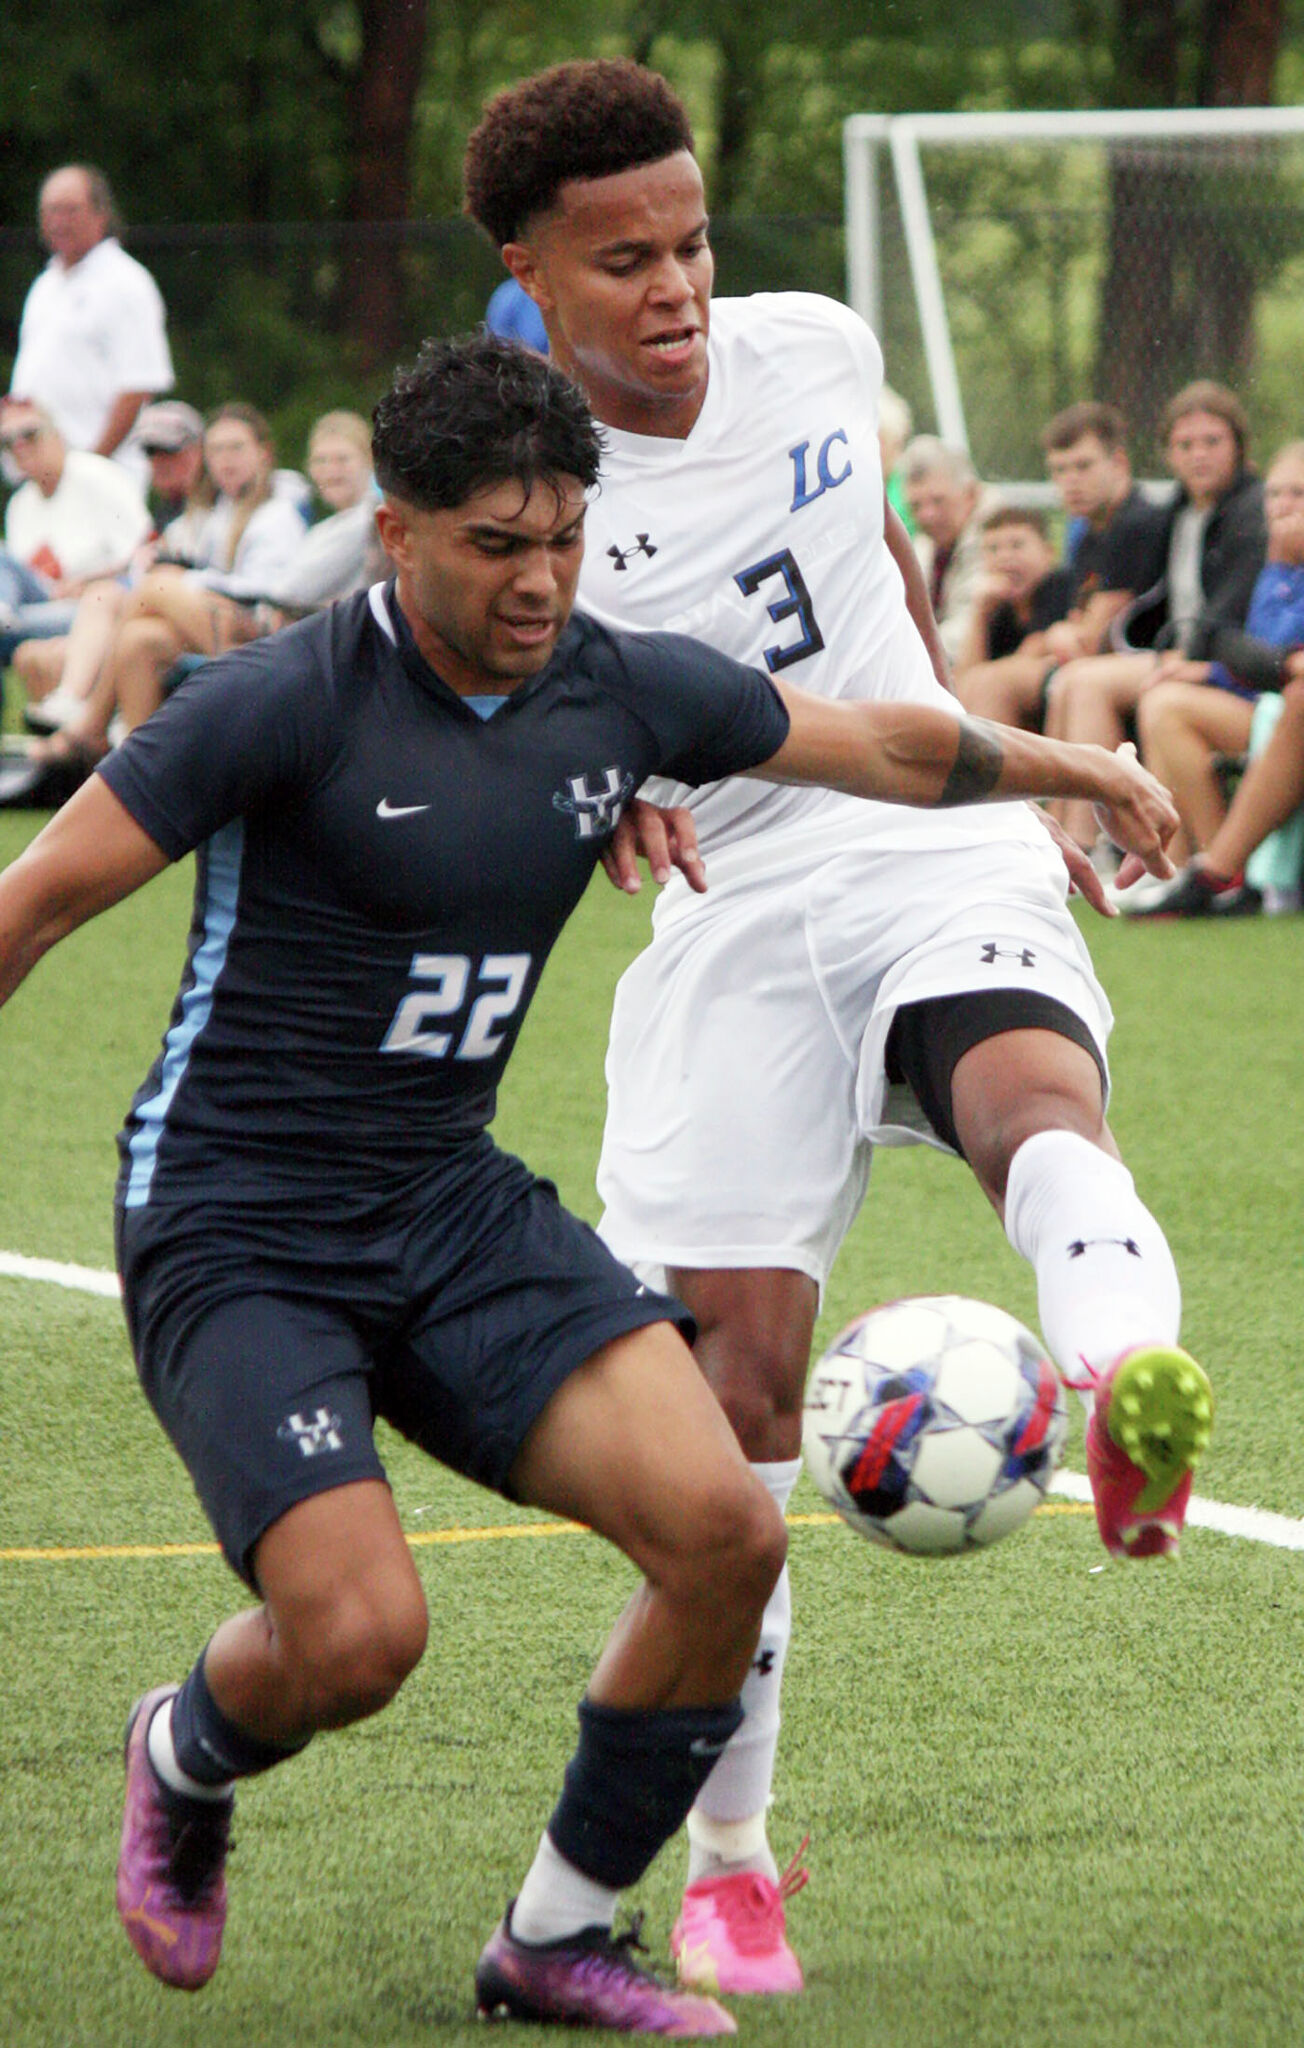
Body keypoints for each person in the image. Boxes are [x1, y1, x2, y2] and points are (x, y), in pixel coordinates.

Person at [0, 332, 1177, 2029]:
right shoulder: (271, 703)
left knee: (717, 1530)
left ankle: (552, 1932)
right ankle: (182, 1745)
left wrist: (1078, 768)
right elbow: (31, 901)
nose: (541, 576)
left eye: (562, 536)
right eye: (496, 543)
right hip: (239, 1220)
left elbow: (881, 744)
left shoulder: (619, 684)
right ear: (396, 534)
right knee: (358, 1640)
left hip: (447, 1197)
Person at [463, 57, 1215, 1998]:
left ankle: (1129, 1377)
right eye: (622, 258)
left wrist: (994, 744)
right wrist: (596, 779)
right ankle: (728, 1859)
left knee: (1029, 1093)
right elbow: (491, 707)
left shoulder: (811, 343)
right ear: (527, 273)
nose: (677, 286)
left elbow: (878, 560)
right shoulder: (521, 483)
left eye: (694, 240)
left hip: (920, 830)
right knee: (730, 1432)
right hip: (725, 907)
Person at [1046, 381, 1266, 855]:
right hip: (1177, 650)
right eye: (1184, 445)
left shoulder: (1251, 511)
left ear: (1239, 446)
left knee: (1089, 684)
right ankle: (1065, 836)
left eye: (1212, 442)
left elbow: (1230, 609)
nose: (1198, 455)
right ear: (1168, 454)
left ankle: (1089, 843)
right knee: (1071, 680)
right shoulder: (1181, 510)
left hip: (1220, 661)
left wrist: (1186, 657)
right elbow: (1159, 603)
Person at [1118, 439, 1304, 889]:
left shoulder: (1282, 560)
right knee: (1162, 698)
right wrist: (1214, 670)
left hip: (1281, 710)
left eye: (1297, 494)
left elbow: (1272, 653)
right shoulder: (1280, 558)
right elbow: (1267, 656)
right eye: (1274, 494)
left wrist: (1279, 566)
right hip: (1271, 703)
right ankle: (1182, 863)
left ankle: (1219, 867)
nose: (1282, 505)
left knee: (1167, 707)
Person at [958, 402, 1170, 732]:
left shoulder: (1136, 522)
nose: (1070, 481)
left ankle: (1007, 786)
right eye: (1059, 470)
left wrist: (1057, 637)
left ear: (1118, 463)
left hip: (1144, 661)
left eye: (1082, 466)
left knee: (993, 683)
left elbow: (1091, 640)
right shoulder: (1089, 535)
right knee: (980, 680)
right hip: (1089, 667)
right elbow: (1076, 629)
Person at [15, 399, 213, 733]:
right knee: (36, 656)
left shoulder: (211, 510)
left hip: (174, 617)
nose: (160, 462)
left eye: (170, 451)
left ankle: (87, 725)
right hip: (129, 609)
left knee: (114, 608)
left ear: (197, 452)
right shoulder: (170, 514)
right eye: (152, 453)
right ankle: (76, 764)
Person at [9, 164, 173, 476]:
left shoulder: (125, 282)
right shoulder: (45, 285)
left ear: (101, 214)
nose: (58, 221)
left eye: (70, 210)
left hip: (101, 474)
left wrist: (92, 464)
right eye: (50, 210)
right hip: (44, 474)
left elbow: (137, 386)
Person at [0, 398, 151, 658]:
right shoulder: (19, 503)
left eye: (29, 434)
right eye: (7, 441)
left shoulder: (98, 475)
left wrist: (87, 582)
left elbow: (142, 554)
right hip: (42, 605)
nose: (19, 446)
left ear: (57, 434)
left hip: (97, 607)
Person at [953, 504, 1075, 686]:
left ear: (1048, 553)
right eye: (993, 549)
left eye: (1017, 545)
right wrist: (980, 613)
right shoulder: (999, 608)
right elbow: (964, 678)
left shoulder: (1062, 587)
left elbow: (1030, 653)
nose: (1004, 557)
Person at [900, 435, 986, 664]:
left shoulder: (997, 536)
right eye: (916, 506)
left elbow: (964, 631)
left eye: (938, 501)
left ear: (971, 495)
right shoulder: (924, 544)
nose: (926, 515)